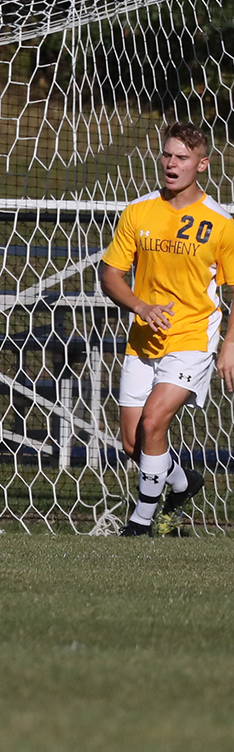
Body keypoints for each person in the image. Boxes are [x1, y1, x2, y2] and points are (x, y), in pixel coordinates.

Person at [100, 120, 234, 537]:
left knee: (155, 421)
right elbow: (109, 274)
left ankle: (141, 523)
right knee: (133, 443)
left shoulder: (221, 222)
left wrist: (230, 346)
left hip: (192, 339)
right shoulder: (138, 211)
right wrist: (140, 306)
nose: (171, 163)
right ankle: (183, 482)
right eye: (167, 154)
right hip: (143, 341)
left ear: (202, 165)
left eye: (182, 157)